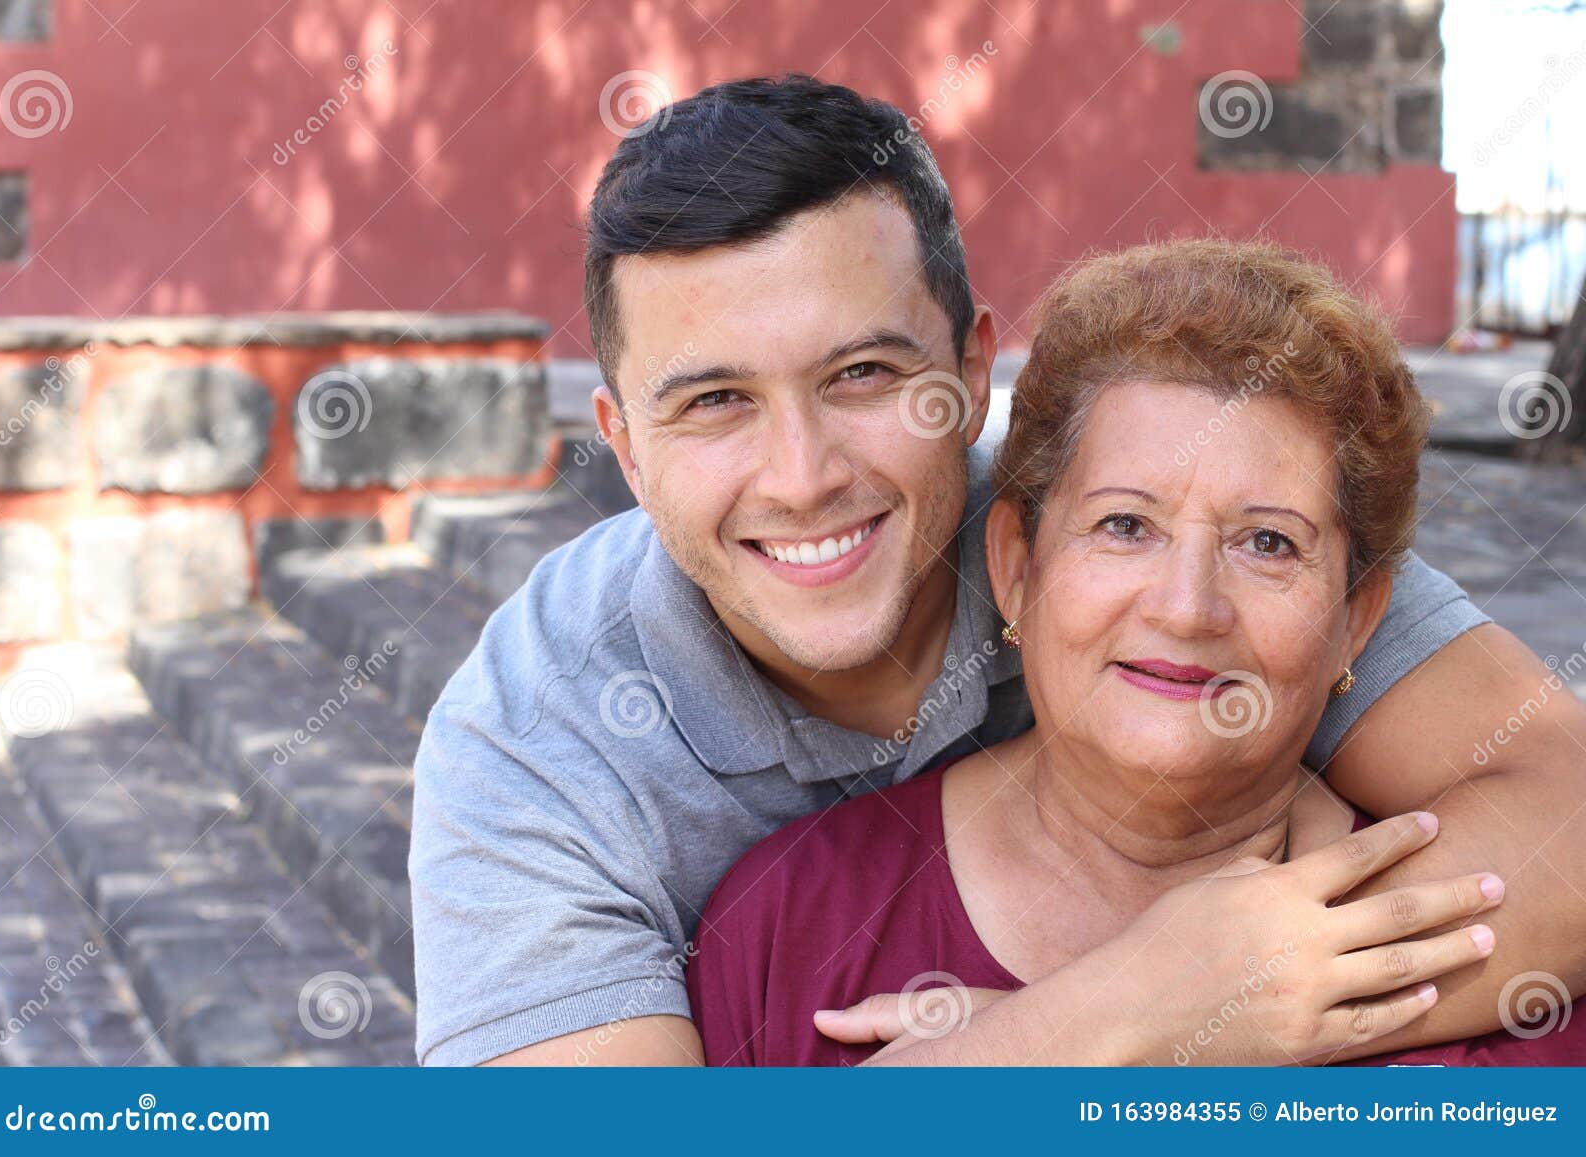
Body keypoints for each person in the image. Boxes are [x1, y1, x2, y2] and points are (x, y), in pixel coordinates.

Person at [407, 76, 1586, 1067]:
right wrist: (1100, 1024)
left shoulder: (1137, 512)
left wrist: (1232, 1019)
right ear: (623, 444)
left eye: (864, 373)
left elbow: (1566, 816)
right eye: (716, 401)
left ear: (972, 370)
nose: (803, 473)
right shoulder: (537, 743)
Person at [685, 239, 1585, 1066]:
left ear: (1356, 619)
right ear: (1015, 570)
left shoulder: (1510, 981)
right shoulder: (786, 926)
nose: (1188, 608)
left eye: (1268, 543)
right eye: (1124, 524)